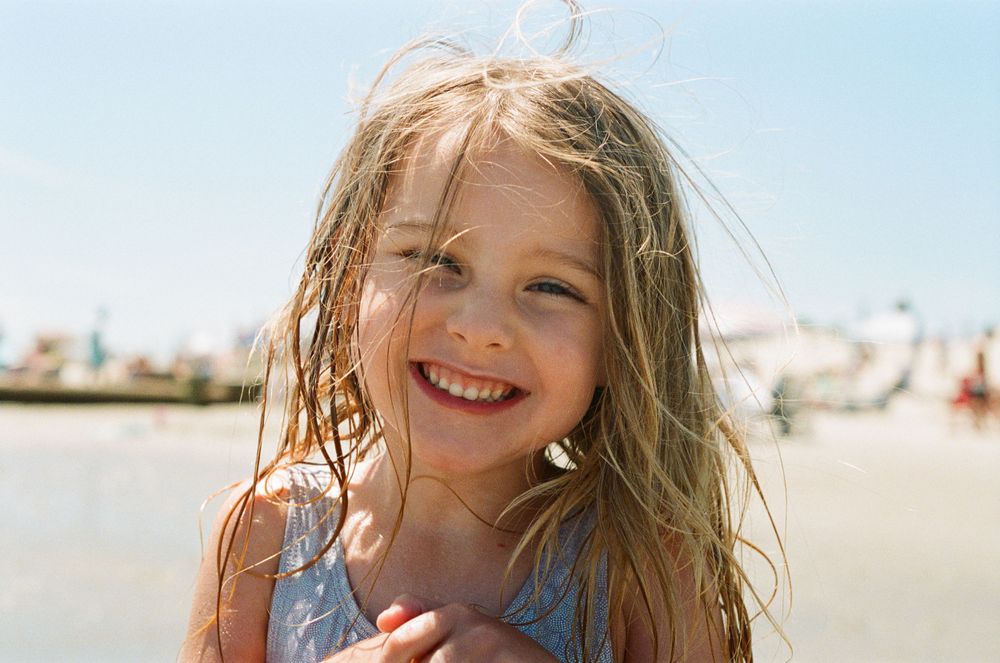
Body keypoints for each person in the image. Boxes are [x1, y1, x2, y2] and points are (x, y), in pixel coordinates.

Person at [181, 7, 779, 662]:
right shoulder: (264, 531)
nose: (480, 328)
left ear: (623, 339)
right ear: (349, 274)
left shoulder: (640, 565)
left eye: (553, 287)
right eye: (437, 260)